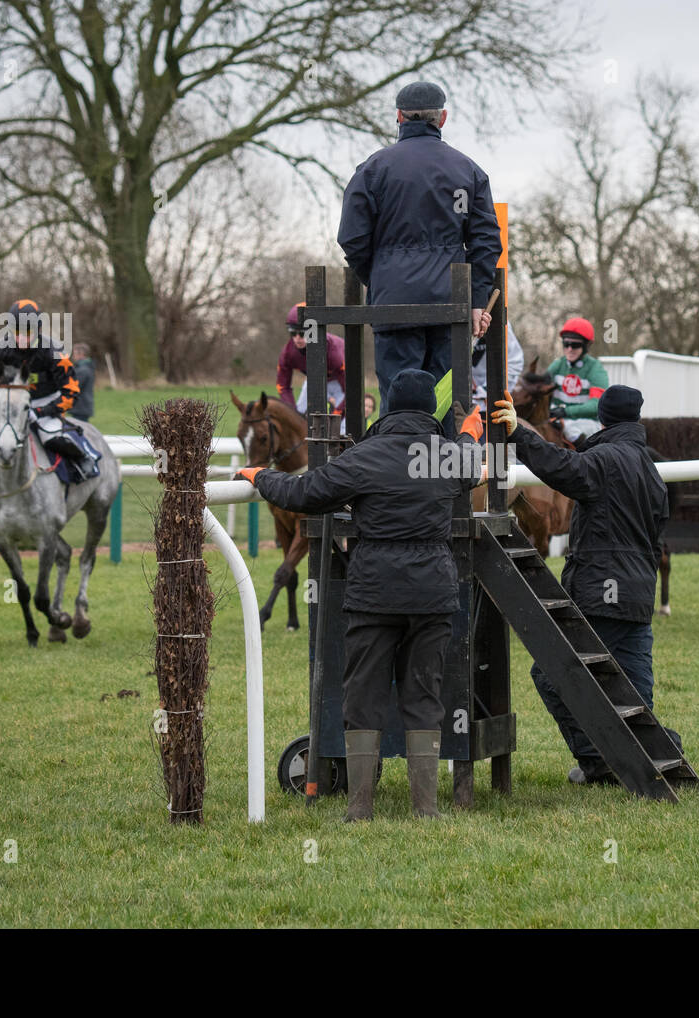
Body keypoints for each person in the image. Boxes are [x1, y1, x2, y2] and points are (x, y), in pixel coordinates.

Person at [237, 369, 485, 821]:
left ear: (388, 405)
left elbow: (304, 493)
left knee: (363, 697)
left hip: (374, 593)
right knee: (424, 694)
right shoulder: (451, 457)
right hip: (432, 594)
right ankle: (425, 809)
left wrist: (260, 476)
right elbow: (471, 458)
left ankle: (359, 808)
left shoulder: (366, 456)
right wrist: (470, 432)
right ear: (432, 408)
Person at [491, 384, 672, 786]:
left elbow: (562, 469)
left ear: (603, 418)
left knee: (552, 676)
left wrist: (518, 434)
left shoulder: (604, 458)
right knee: (636, 698)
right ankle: (663, 754)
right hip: (640, 597)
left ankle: (596, 762)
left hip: (600, 593)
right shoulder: (650, 467)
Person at [337, 81, 502, 398]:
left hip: (394, 302)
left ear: (399, 117)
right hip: (450, 305)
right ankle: (442, 449)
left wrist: (381, 275)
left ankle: (396, 446)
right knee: (445, 402)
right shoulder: (469, 172)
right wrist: (477, 300)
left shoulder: (372, 170)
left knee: (399, 401)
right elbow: (486, 242)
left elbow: (352, 237)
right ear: (442, 118)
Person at [0, 299, 98, 478]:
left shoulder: (53, 351)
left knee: (52, 437)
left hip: (46, 401)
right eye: (17, 332)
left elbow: (71, 392)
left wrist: (42, 411)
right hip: (10, 403)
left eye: (28, 332)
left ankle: (82, 460)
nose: (22, 338)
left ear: (37, 330)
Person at [276, 303, 347, 424]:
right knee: (296, 418)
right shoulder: (288, 353)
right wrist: (292, 410)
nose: (297, 338)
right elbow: (283, 387)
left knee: (340, 424)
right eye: (293, 333)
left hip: (339, 383)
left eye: (302, 333)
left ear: (313, 331)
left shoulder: (334, 354)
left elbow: (350, 390)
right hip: (313, 380)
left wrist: (337, 413)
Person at [547, 317, 610, 449]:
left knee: (571, 431)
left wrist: (566, 411)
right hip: (559, 419)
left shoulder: (596, 369)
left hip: (588, 422)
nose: (569, 349)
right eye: (566, 344)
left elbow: (596, 405)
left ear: (586, 346)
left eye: (575, 345)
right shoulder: (557, 365)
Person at [71, 344, 96, 422]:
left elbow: (74, 386)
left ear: (81, 354)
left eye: (74, 354)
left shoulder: (83, 370)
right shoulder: (86, 367)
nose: (73, 357)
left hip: (81, 407)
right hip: (83, 407)